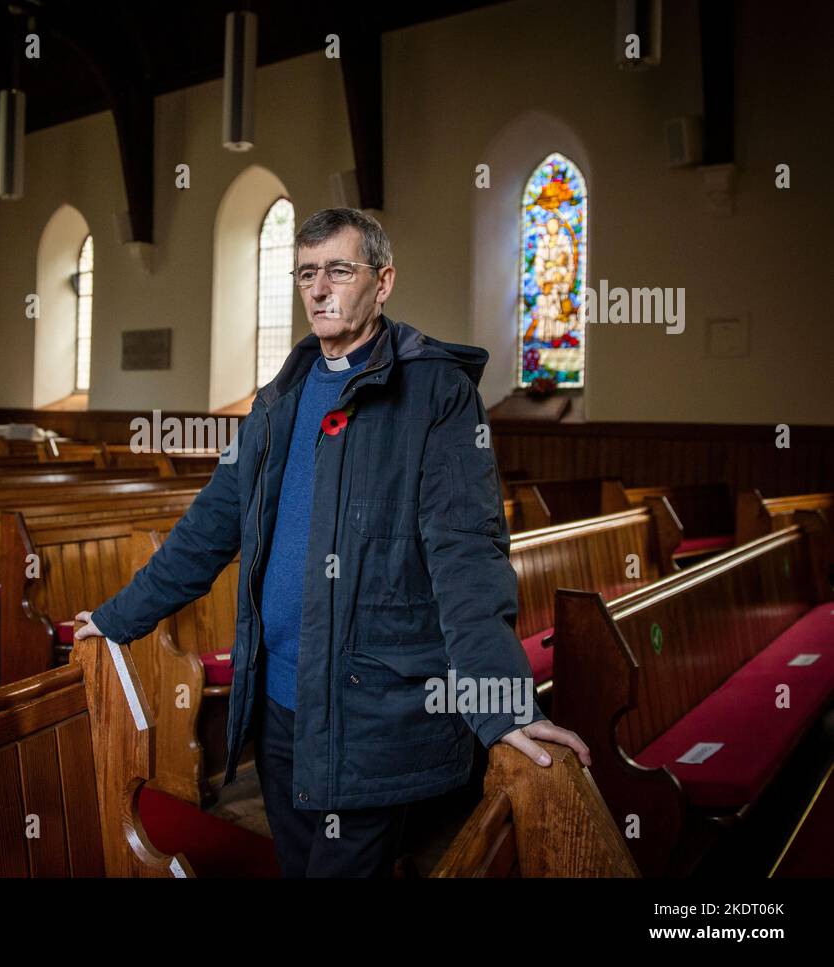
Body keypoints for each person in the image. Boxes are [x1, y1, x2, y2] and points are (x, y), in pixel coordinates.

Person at [75, 207, 589, 877]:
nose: (321, 288)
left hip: (369, 709)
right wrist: (116, 619)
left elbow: (466, 554)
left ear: (383, 281)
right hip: (280, 704)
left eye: (340, 270)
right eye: (308, 273)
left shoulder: (436, 394)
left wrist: (501, 702)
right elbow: (210, 524)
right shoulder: (279, 397)